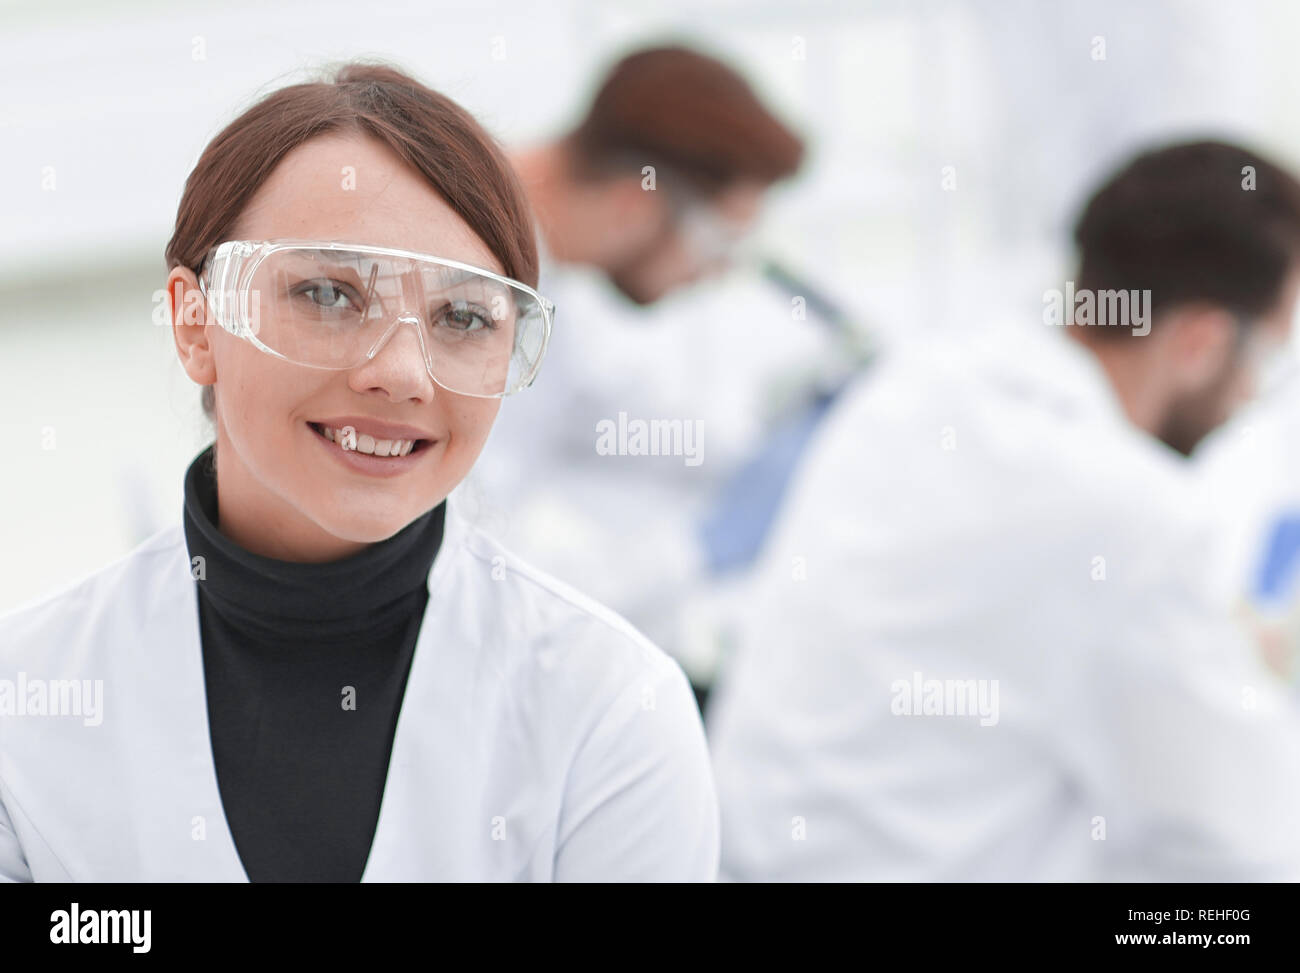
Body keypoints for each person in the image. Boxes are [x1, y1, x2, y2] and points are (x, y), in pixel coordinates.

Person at [0, 62, 717, 882]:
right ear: (196, 323)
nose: (404, 373)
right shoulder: (25, 700)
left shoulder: (610, 710)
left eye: (462, 316)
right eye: (330, 294)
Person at [706, 139, 1300, 881]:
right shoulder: (1124, 510)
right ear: (1199, 340)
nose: (1251, 398)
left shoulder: (917, 388)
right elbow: (1246, 846)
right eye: (1268, 358)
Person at [467, 45, 808, 683]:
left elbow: (599, 407)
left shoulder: (538, 268)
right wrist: (696, 552)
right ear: (632, 203)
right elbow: (477, 575)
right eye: (721, 242)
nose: (722, 273)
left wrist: (762, 451)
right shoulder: (472, 290)